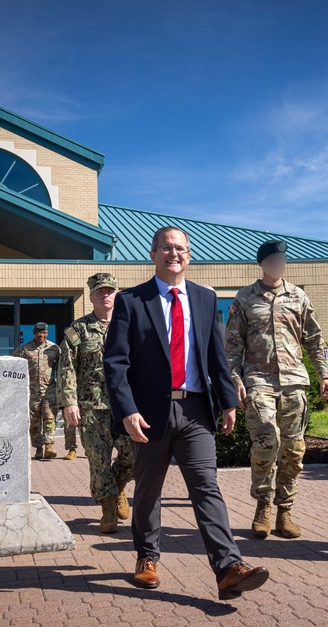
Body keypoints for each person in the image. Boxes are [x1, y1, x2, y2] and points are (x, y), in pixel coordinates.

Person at [103, 225, 270, 600]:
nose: (173, 253)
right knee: (148, 491)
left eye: (179, 248)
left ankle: (228, 568)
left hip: (195, 410)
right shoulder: (131, 301)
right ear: (153, 253)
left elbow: (216, 356)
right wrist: (127, 410)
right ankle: (146, 558)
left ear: (189, 255)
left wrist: (228, 401)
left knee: (207, 488)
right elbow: (114, 363)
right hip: (149, 415)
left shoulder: (205, 299)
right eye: (165, 247)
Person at [225, 239, 328, 539]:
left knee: (295, 449)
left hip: (294, 382)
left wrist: (325, 375)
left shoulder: (298, 296)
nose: (278, 265)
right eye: (273, 260)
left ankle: (285, 511)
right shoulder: (245, 298)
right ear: (262, 264)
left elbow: (315, 340)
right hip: (258, 380)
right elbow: (232, 345)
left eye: (282, 260)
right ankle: (263, 507)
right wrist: (235, 380)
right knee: (266, 442)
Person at [57, 272, 134, 534]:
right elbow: (67, 368)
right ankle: (108, 508)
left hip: (126, 406)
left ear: (117, 294)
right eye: (100, 291)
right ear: (91, 296)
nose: (105, 295)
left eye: (110, 290)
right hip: (92, 407)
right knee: (99, 461)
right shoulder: (77, 330)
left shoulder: (129, 326)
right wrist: (69, 402)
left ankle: (119, 488)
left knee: (133, 456)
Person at [13, 322, 61, 460]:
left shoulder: (54, 349)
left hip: (49, 390)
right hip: (32, 391)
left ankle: (49, 446)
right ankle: (38, 448)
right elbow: (14, 365)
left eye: (44, 333)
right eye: (39, 332)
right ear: (34, 333)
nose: (41, 335)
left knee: (50, 418)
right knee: (34, 422)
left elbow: (63, 368)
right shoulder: (24, 350)